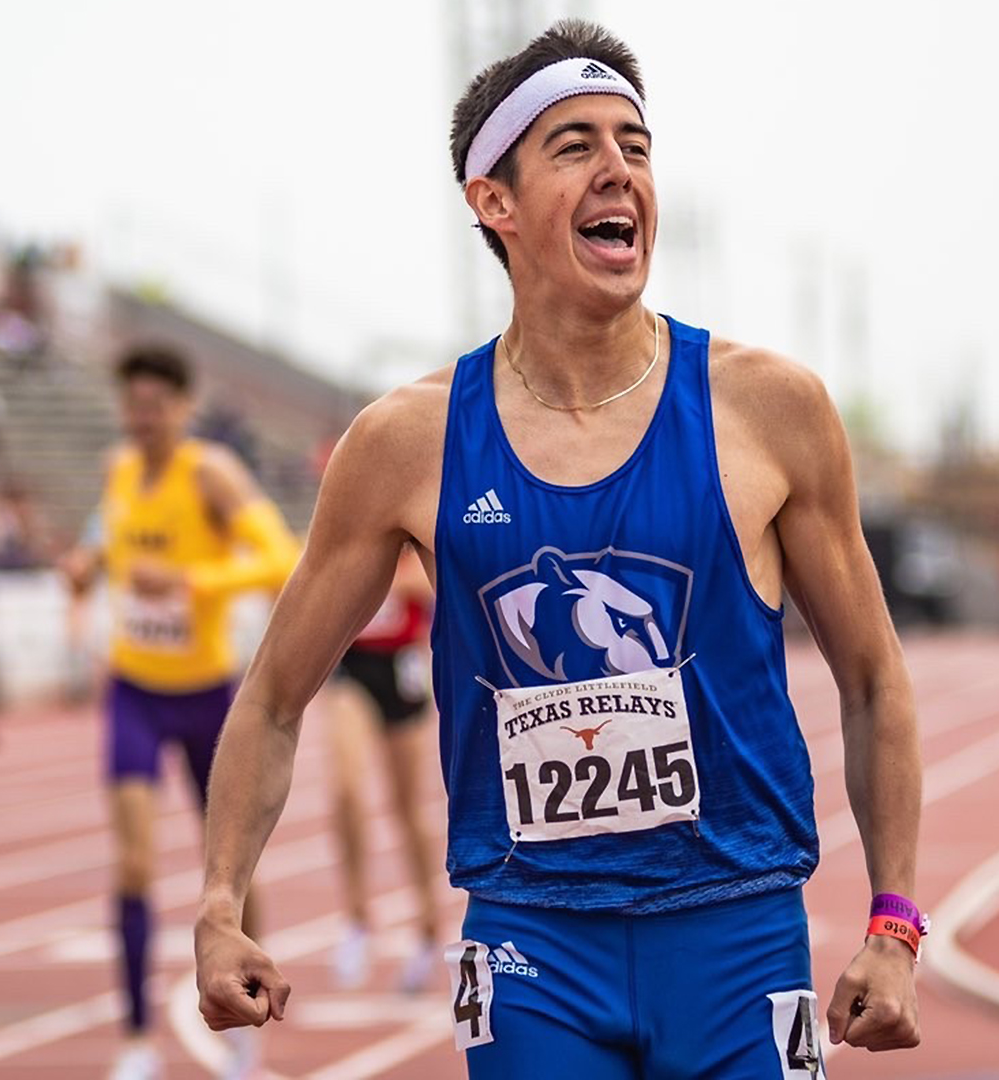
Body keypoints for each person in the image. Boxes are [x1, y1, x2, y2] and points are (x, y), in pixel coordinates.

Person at [195, 20, 925, 1077]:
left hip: (737, 930)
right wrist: (221, 902)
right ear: (494, 202)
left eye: (634, 144)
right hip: (533, 941)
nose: (618, 168)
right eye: (574, 145)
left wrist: (895, 924)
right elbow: (271, 696)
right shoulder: (409, 442)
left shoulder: (766, 411)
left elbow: (872, 677)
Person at [59, 346, 301, 1080]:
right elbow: (109, 534)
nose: (143, 417)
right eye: (133, 404)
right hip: (135, 691)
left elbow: (282, 559)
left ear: (183, 407)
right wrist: (85, 561)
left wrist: (194, 581)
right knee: (132, 861)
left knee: (230, 868)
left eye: (156, 405)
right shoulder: (119, 470)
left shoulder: (211, 475)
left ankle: (246, 1024)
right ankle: (136, 1037)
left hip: (207, 699)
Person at [321, 549, 441, 991]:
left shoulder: (416, 518)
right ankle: (356, 918)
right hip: (352, 666)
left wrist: (398, 579)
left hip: (402, 667)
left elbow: (439, 581)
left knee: (406, 808)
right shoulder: (354, 514)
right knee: (346, 789)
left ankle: (428, 926)